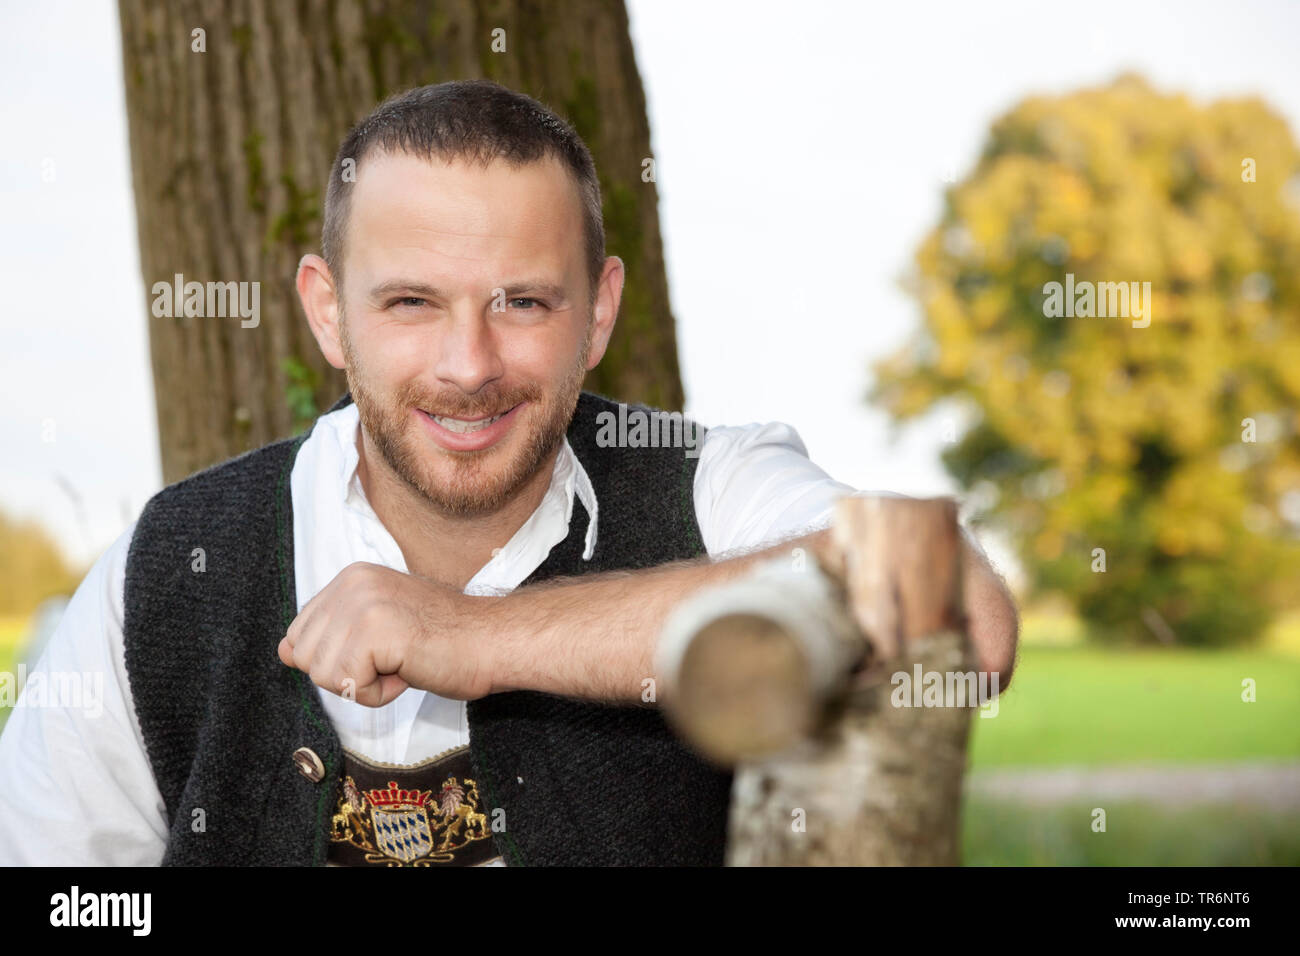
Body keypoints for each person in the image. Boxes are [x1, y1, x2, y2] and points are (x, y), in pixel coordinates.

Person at [0, 79, 1018, 867]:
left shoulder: (709, 487)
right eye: (410, 302)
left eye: (523, 302)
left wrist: (476, 637)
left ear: (600, 310)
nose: (469, 365)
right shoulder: (170, 567)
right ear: (326, 309)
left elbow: (952, 603)